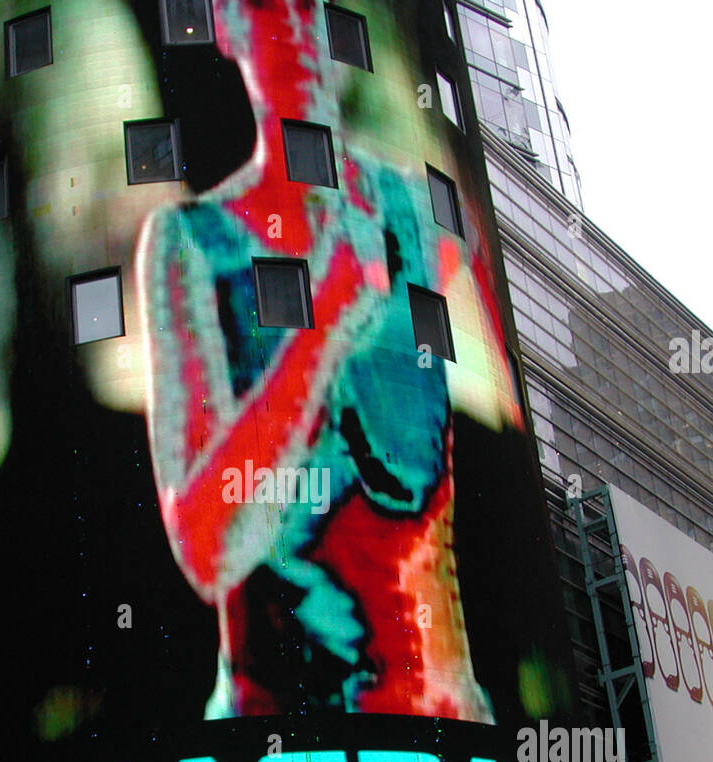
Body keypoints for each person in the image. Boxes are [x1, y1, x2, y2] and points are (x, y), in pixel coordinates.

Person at [140, 0, 520, 720]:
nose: (294, 17)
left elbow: (522, 433)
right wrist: (320, 335)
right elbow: (206, 550)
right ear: (226, 24)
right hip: (270, 753)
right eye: (265, 1)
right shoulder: (193, 243)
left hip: (447, 736)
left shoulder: (427, 218)